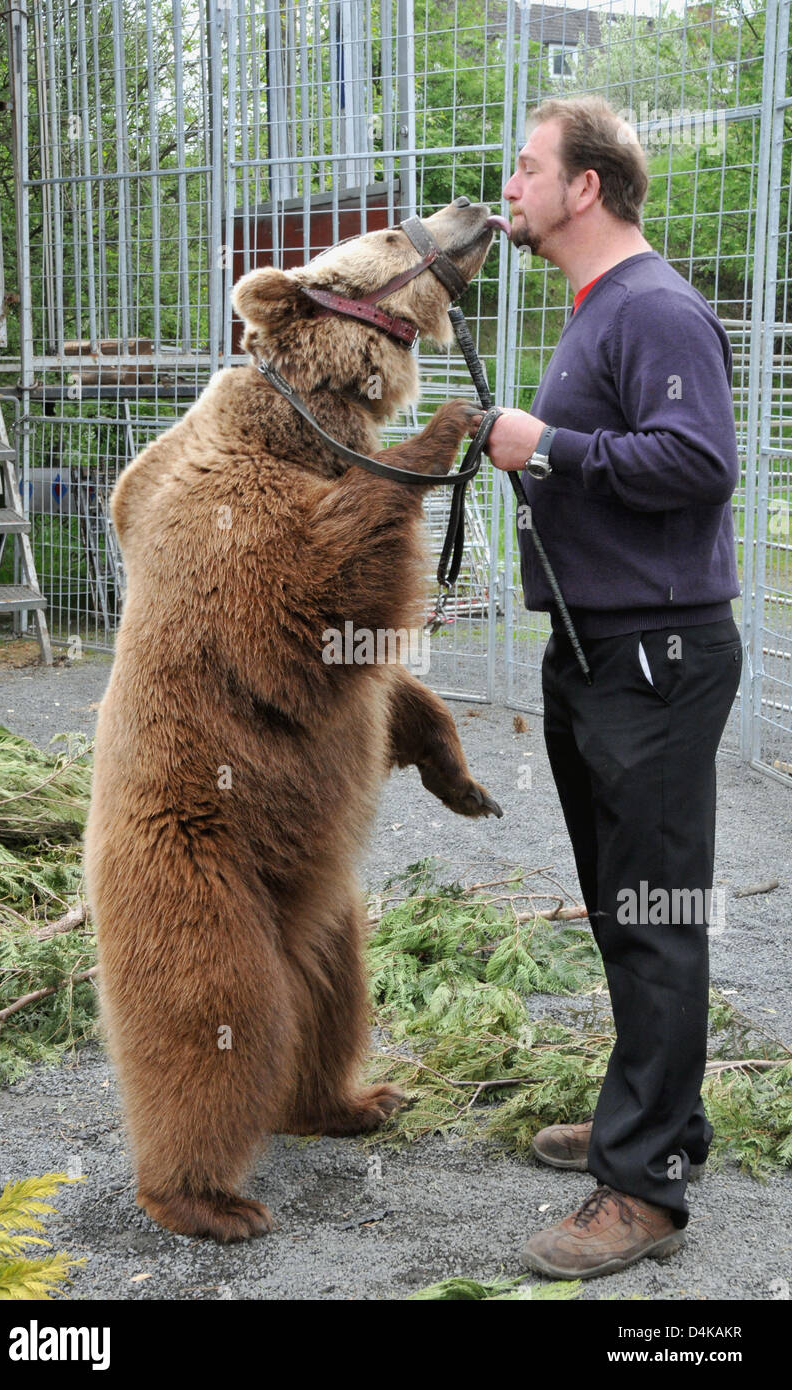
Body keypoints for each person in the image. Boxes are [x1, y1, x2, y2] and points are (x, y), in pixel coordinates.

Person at [473, 95, 742, 1279]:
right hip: (595, 653)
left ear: (584, 187)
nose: (511, 187)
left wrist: (548, 448)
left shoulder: (654, 307)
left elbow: (696, 465)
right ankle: (655, 1119)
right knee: (625, 913)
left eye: (526, 168)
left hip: (654, 659)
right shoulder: (594, 311)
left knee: (656, 919)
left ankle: (641, 1188)